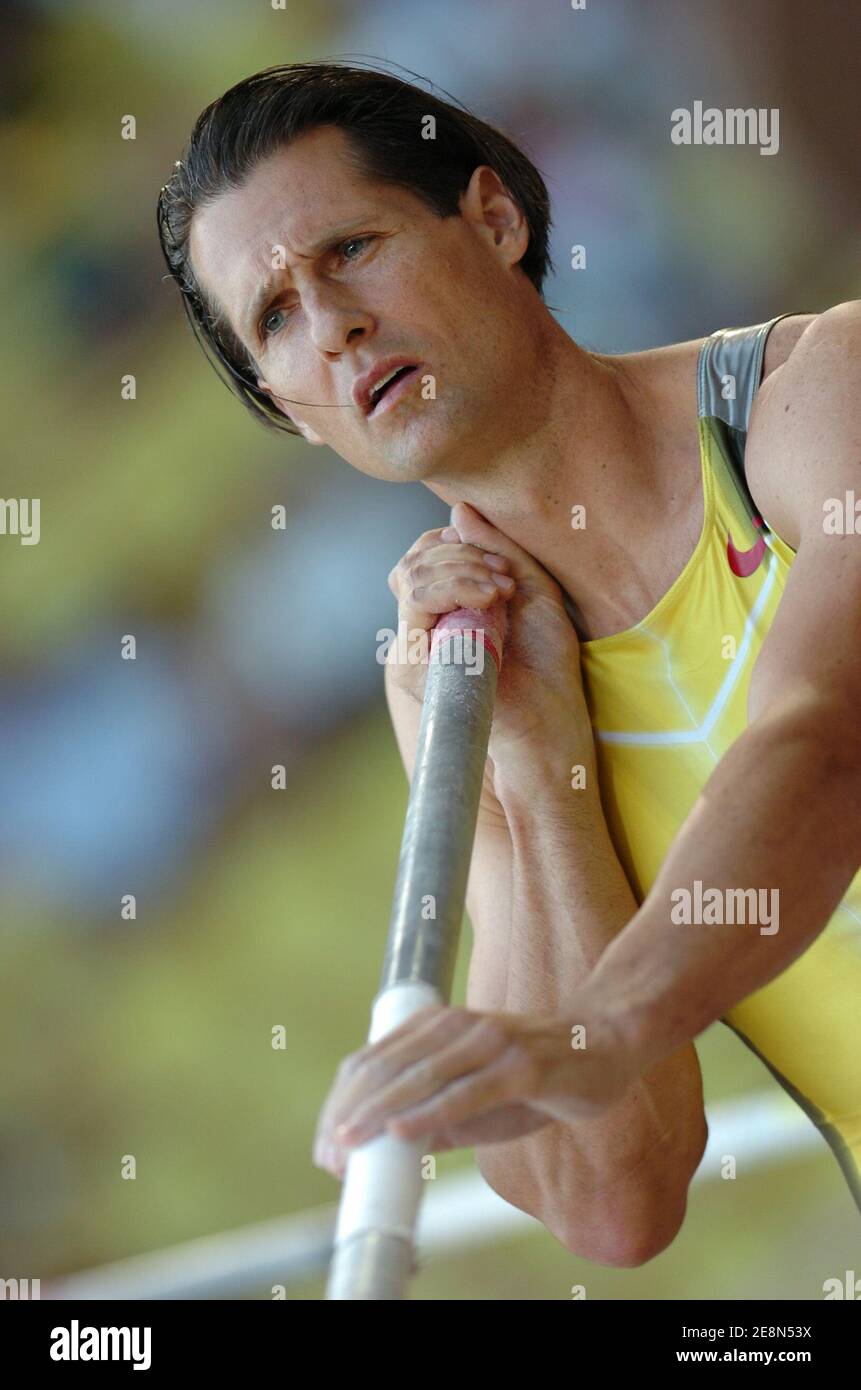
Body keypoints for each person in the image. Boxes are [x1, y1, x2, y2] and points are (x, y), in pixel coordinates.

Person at [157, 61, 861, 1267]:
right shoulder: (457, 682)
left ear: (494, 218)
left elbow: (825, 745)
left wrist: (600, 1029)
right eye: (274, 318)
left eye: (351, 250)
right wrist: (539, 780)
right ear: (283, 406)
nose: (331, 325)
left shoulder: (820, 395)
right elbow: (612, 1200)